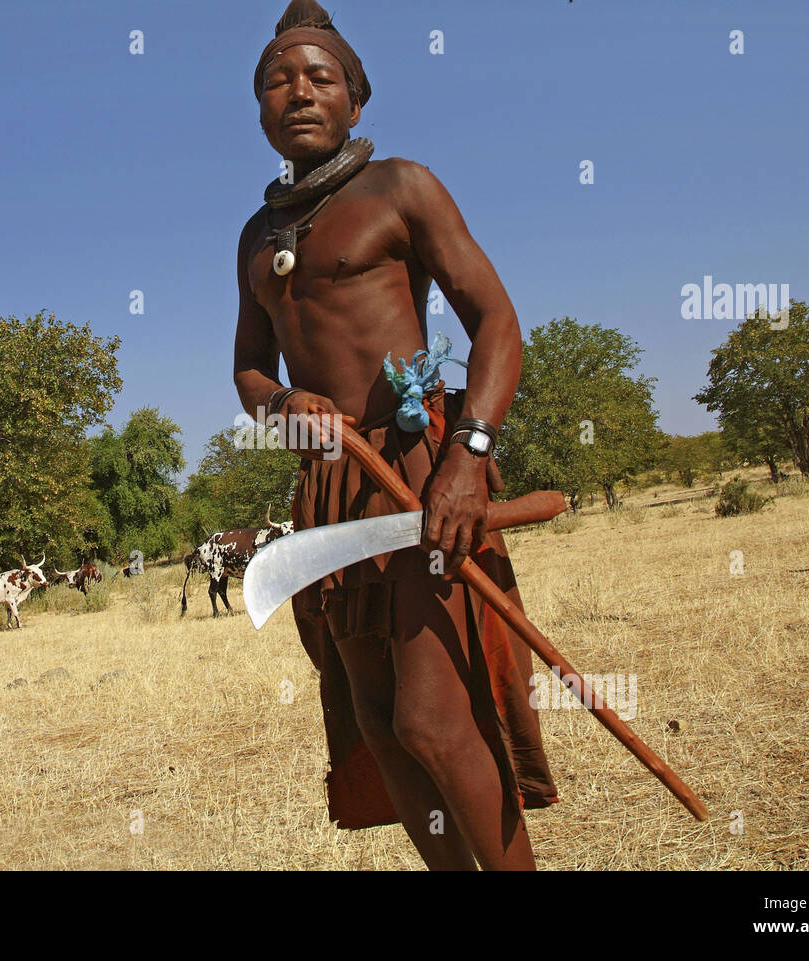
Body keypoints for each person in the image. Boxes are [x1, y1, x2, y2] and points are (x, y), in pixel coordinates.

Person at [233, 0, 559, 870]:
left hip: (419, 466)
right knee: (381, 725)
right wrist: (279, 408)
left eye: (320, 76)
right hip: (331, 490)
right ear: (258, 106)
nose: (298, 91)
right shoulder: (257, 238)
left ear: (357, 98)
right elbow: (249, 371)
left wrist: (470, 457)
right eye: (277, 79)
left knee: (432, 716)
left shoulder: (401, 187)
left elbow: (496, 322)